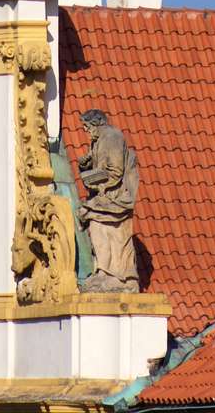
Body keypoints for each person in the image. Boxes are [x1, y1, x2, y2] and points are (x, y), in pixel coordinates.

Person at [76, 110, 139, 292]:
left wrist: (97, 183)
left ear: (96, 124)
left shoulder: (112, 137)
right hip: (105, 195)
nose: (86, 130)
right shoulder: (98, 140)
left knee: (102, 227)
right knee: (97, 226)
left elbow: (116, 171)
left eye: (87, 126)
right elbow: (100, 164)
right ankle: (104, 271)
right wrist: (86, 164)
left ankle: (114, 274)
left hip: (115, 196)